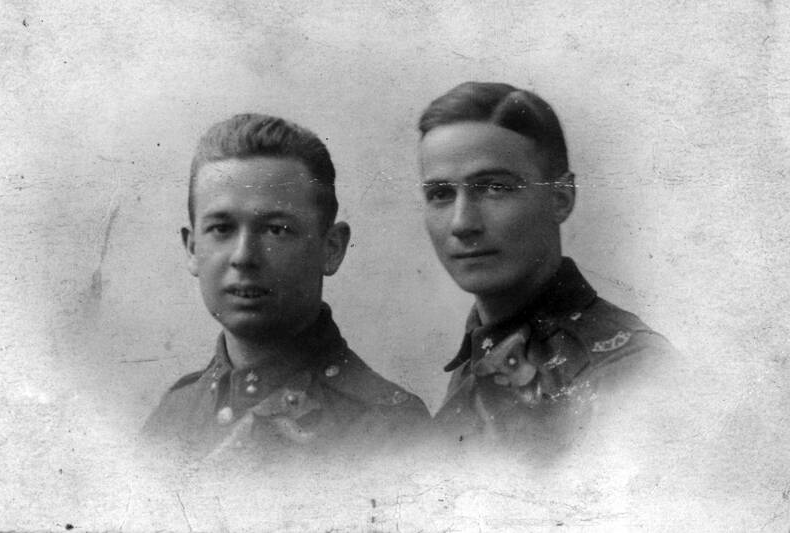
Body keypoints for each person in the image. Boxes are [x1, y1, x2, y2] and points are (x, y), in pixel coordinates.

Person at [142, 113, 429, 459]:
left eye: (276, 230)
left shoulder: (388, 429)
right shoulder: (174, 413)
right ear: (192, 249)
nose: (244, 257)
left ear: (332, 248)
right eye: (221, 228)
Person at [417, 82, 675, 452]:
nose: (461, 223)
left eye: (494, 188)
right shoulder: (472, 368)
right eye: (441, 194)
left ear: (560, 198)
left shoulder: (632, 372)